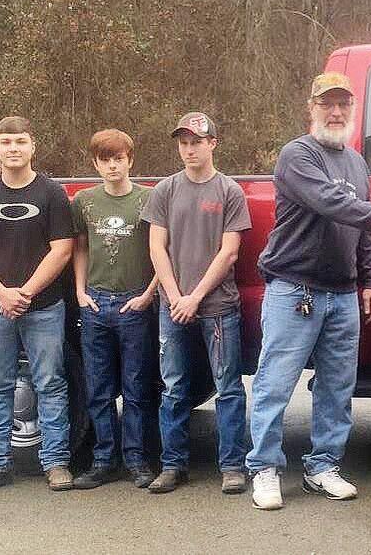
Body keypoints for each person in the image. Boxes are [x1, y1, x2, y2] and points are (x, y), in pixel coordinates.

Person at [247, 72, 371, 511]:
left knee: (337, 387)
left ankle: (322, 466)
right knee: (274, 383)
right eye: (327, 103)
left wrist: (369, 280)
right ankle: (265, 469)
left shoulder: (357, 163)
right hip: (295, 288)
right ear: (312, 108)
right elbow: (333, 203)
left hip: (342, 294)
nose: (336, 111)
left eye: (344, 103)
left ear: (353, 109)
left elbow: (360, 225)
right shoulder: (297, 155)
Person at [0, 116, 76, 495]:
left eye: (20, 141)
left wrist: (24, 292)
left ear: (32, 146)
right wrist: (2, 294)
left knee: (51, 384)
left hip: (43, 307)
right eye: (6, 141)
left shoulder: (52, 193)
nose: (13, 148)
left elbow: (63, 249)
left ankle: (56, 463)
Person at [140, 111, 251, 494]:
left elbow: (229, 252)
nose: (189, 150)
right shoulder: (165, 190)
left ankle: (233, 466)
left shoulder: (229, 192)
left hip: (218, 307)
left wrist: (195, 297)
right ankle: (173, 465)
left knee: (229, 387)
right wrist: (174, 296)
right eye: (183, 143)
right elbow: (157, 245)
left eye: (196, 142)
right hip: (173, 306)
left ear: (212, 144)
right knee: (172, 386)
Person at [70, 129, 159, 490]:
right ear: (95, 163)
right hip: (95, 303)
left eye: (118, 158)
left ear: (130, 160)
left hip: (134, 303)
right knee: (98, 388)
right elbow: (80, 248)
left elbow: (159, 250)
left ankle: (136, 459)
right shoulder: (84, 201)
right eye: (105, 159)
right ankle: (104, 459)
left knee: (136, 386)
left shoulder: (149, 199)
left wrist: (149, 294)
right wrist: (80, 292)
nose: (112, 165)